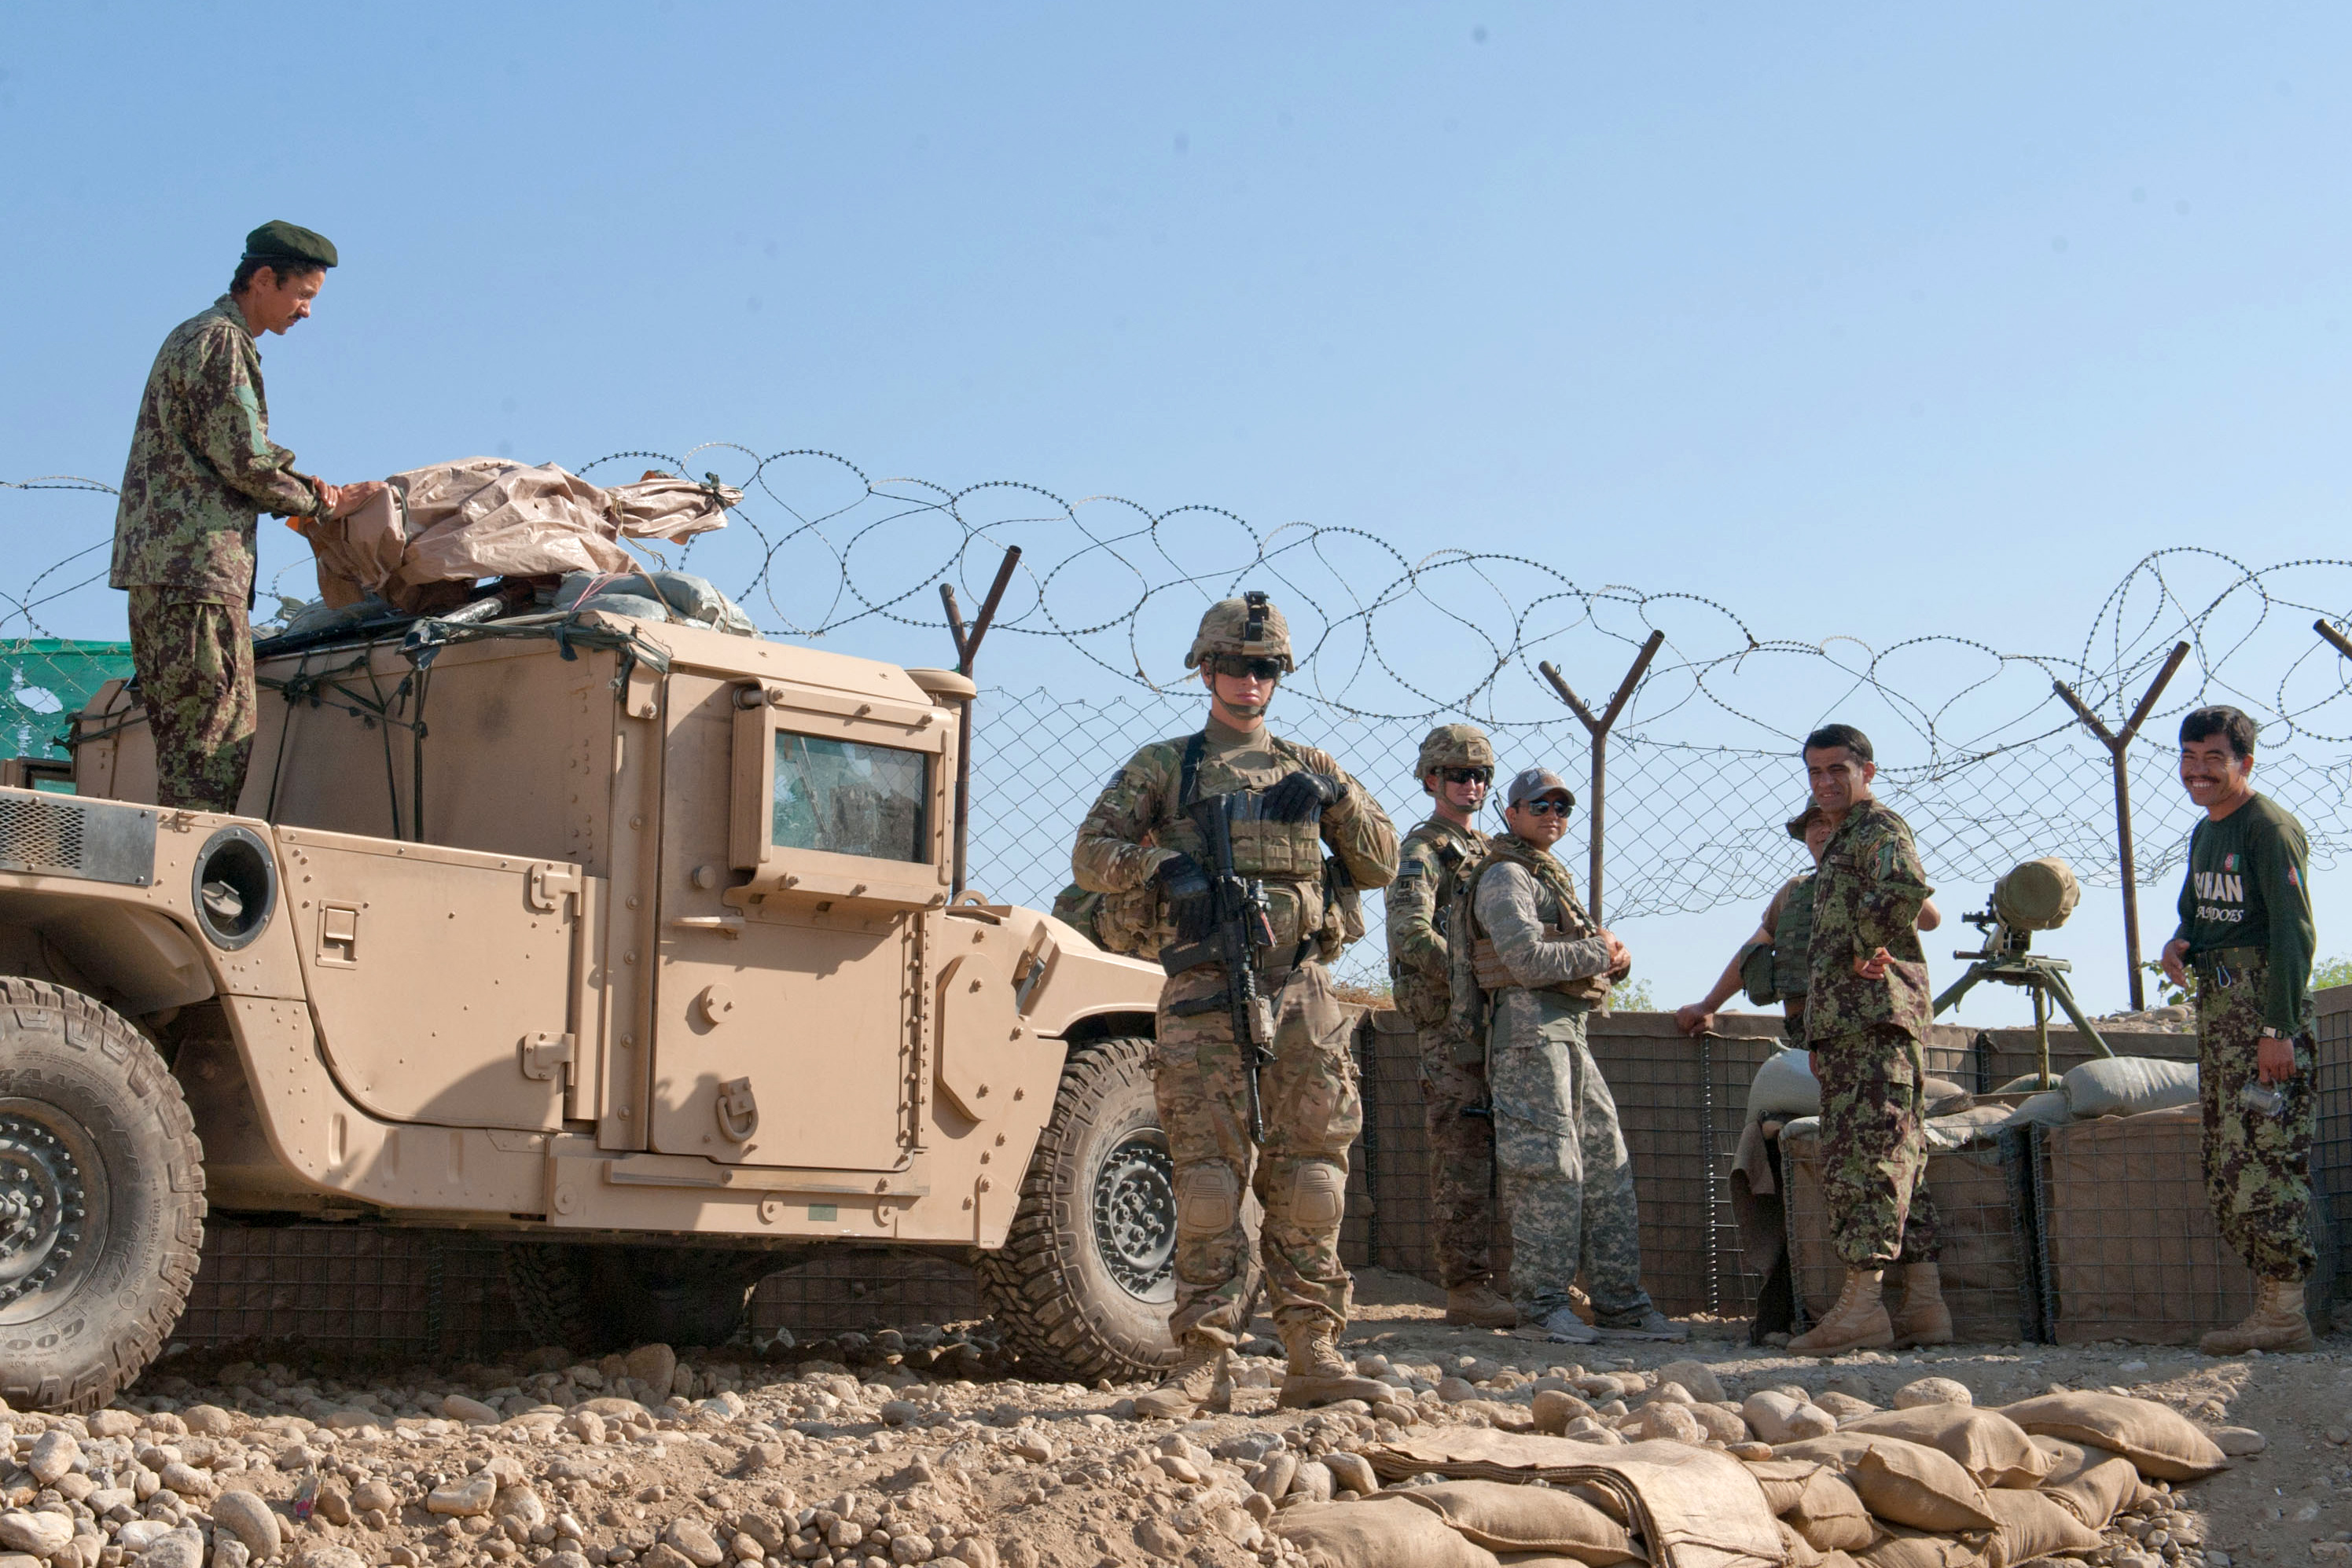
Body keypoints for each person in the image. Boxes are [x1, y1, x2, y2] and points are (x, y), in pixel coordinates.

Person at [1071, 593, 1398, 1418]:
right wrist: (1160, 868)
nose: (1249, 681)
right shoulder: (1166, 767)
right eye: (1233, 666)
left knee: (1313, 1172)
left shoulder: (1308, 762)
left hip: (1302, 996)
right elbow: (1089, 855)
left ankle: (1312, 1352)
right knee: (1208, 1178)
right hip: (1204, 993)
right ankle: (1204, 1360)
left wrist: (1333, 799)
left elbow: (1381, 863)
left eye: (1265, 668)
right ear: (1205, 669)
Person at [109, 221, 382, 812]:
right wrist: (324, 501)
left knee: (189, 752)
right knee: (215, 746)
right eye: (302, 295)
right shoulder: (221, 341)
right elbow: (245, 461)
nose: (306, 312)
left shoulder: (194, 336)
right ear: (263, 279)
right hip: (197, 577)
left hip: (170, 575)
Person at [1448, 766, 1685, 1344]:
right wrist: (1597, 950)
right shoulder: (1506, 875)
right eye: (1539, 805)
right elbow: (1526, 961)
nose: (1552, 814)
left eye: (1562, 806)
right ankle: (1541, 1306)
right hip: (1529, 1040)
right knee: (1547, 1172)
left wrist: (1610, 957)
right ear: (1512, 813)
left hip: (1569, 1035)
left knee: (1606, 1168)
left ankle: (1621, 1304)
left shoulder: (1547, 876)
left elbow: (1574, 955)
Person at [2158, 706, 2320, 1355]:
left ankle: (2285, 1312)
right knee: (2229, 1162)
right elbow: (2198, 909)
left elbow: (2294, 933)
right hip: (2220, 1017)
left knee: (2267, 1162)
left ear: (2244, 763)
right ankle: (2271, 1309)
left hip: (2262, 1013)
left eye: (2212, 760)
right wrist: (2181, 941)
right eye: (2189, 759)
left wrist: (2276, 1026)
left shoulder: (2268, 828)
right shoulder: (2206, 833)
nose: (2197, 773)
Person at [1784, 723, 1950, 1356]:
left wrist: (1864, 945)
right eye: (1816, 773)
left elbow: (1907, 887)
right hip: (1851, 1024)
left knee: (1868, 1159)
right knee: (1900, 1157)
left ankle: (1861, 1307)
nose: (1826, 783)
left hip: (1872, 1021)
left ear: (1867, 772)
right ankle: (1924, 1305)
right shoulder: (1846, 838)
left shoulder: (1877, 828)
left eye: (1838, 771)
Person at [1385, 724, 1514, 1328]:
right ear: (1432, 779)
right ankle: (1466, 1285)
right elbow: (1411, 935)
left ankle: (1519, 1280)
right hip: (1451, 1025)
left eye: (1480, 775)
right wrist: (1473, 978)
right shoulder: (1423, 850)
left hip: (1500, 1020)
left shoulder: (1490, 851)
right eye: (1459, 775)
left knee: (1511, 1149)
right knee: (1461, 1151)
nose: (1472, 785)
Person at [1677, 803, 1940, 1041]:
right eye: (1815, 823)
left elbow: (1931, 919)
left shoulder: (1879, 883)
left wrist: (1881, 874)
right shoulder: (1796, 891)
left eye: (1830, 823)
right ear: (1804, 835)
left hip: (1869, 1023)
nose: (1823, 831)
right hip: (1810, 1029)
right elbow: (1753, 949)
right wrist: (1709, 1005)